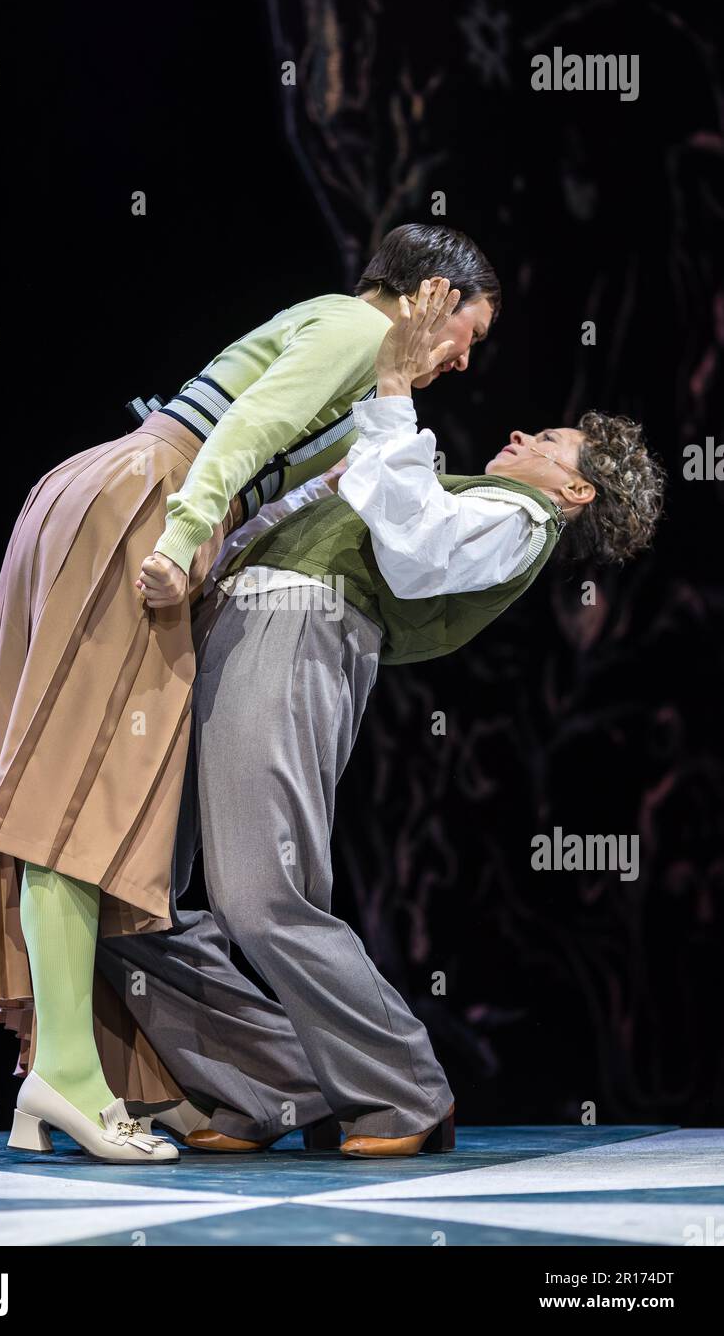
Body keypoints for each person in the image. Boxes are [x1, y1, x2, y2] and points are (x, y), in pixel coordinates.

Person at [0, 226, 501, 1162]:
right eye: (468, 332)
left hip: (142, 499)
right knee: (80, 790)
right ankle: (71, 1078)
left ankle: (91, 1076)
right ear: (428, 297)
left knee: (93, 797)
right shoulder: (349, 329)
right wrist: (179, 540)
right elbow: (243, 433)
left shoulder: (361, 368)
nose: (462, 359)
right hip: (151, 502)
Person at [97, 280, 666, 1158]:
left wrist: (396, 392)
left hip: (293, 633)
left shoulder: (516, 519)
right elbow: (325, 509)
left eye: (549, 442)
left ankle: (403, 1091)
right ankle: (273, 1088)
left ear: (577, 493)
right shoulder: (449, 486)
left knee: (263, 898)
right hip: (239, 623)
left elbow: (414, 543)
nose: (519, 435)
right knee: (131, 900)